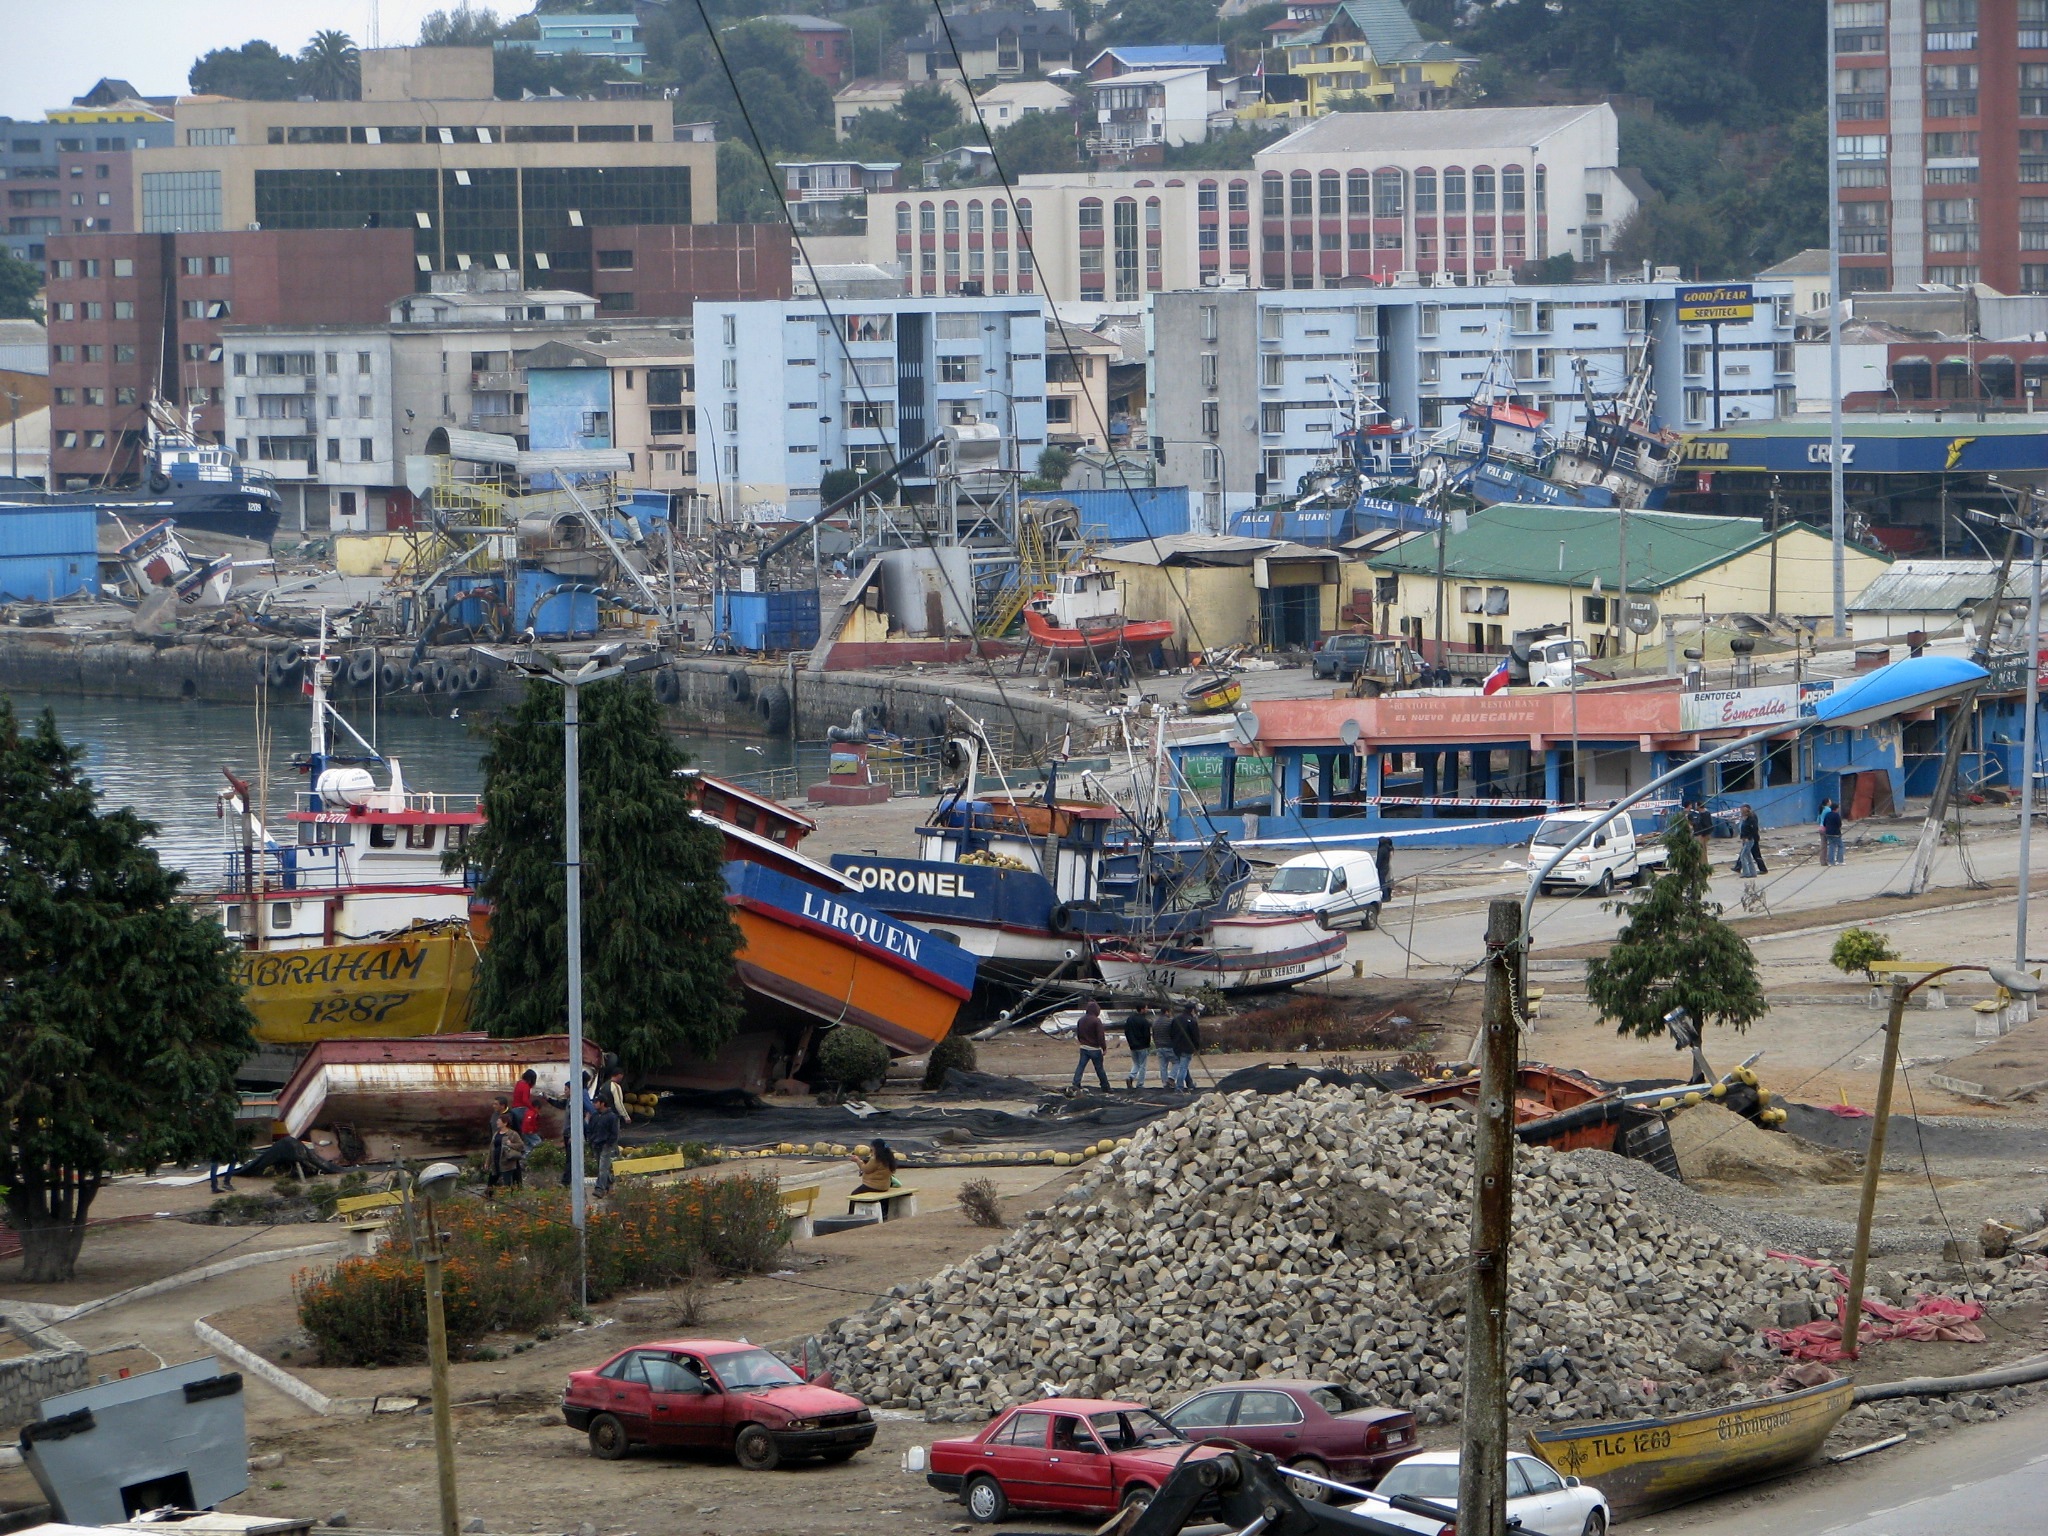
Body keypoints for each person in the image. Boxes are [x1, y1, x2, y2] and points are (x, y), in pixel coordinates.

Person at [586, 1089, 621, 1197]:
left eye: (596, 1102)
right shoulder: (595, 1116)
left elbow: (614, 1132)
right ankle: (609, 1182)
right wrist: (591, 1139)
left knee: (602, 1168)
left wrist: (609, 1143)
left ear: (603, 1103)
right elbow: (590, 1129)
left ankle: (599, 1189)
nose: (594, 1104)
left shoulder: (612, 1117)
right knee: (602, 1168)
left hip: (606, 1145)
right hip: (596, 1145)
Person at [1071, 1001, 1112, 1093]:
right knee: (1099, 1069)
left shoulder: (1081, 1020)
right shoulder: (1096, 1021)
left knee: (1081, 1066)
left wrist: (1082, 1042)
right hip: (1095, 1049)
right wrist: (1104, 1048)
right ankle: (1105, 1086)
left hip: (1084, 1047)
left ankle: (1075, 1083)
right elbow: (1100, 1036)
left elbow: (1078, 1033)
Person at [485, 1111, 526, 1199]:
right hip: (495, 1162)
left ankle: (509, 1199)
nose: (497, 1123)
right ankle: (489, 1197)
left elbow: (521, 1146)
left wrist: (511, 1144)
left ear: (505, 1123)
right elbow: (491, 1148)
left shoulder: (512, 1134)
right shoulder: (496, 1134)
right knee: (491, 1180)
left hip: (507, 1163)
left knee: (507, 1183)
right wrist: (487, 1162)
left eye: (499, 1121)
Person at [1167, 1004, 1200, 1091]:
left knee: (1183, 1065)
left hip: (1177, 1047)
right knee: (1183, 1067)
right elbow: (1195, 1036)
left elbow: (1171, 1033)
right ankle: (1179, 1086)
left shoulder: (1176, 1019)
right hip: (1187, 1047)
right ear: (1192, 1010)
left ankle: (1190, 1083)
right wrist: (1196, 1047)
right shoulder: (1192, 1021)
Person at [1122, 1005, 1156, 1089]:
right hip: (1142, 1046)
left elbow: (1126, 1031)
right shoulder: (1144, 1021)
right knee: (1142, 1066)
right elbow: (1147, 1035)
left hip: (1133, 1046)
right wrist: (1148, 1045)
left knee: (1136, 1064)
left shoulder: (1130, 1019)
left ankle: (1131, 1077)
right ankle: (1140, 1084)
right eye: (1146, 1008)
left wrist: (1130, 1042)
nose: (1147, 1010)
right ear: (1142, 1009)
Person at [1735, 804, 1767, 877]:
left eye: (1742, 810)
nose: (1741, 812)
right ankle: (1751, 872)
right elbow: (1743, 829)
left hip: (1751, 839)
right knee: (1747, 856)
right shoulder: (1745, 818)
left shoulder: (1752, 818)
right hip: (1746, 839)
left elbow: (1753, 830)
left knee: (1746, 855)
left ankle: (1748, 872)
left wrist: (1748, 837)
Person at [510, 1069, 539, 1145]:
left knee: (520, 1132)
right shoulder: (526, 1086)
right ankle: (536, 1143)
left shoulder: (519, 1083)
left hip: (514, 1110)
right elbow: (525, 1100)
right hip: (521, 1110)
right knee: (528, 1130)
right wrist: (533, 1110)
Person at [1820, 798, 1845, 865]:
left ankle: (1831, 862)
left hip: (1828, 833)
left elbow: (1824, 823)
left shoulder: (1828, 814)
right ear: (1836, 808)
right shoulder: (1836, 815)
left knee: (1831, 847)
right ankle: (1840, 861)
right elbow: (1839, 824)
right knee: (1841, 846)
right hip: (1836, 833)